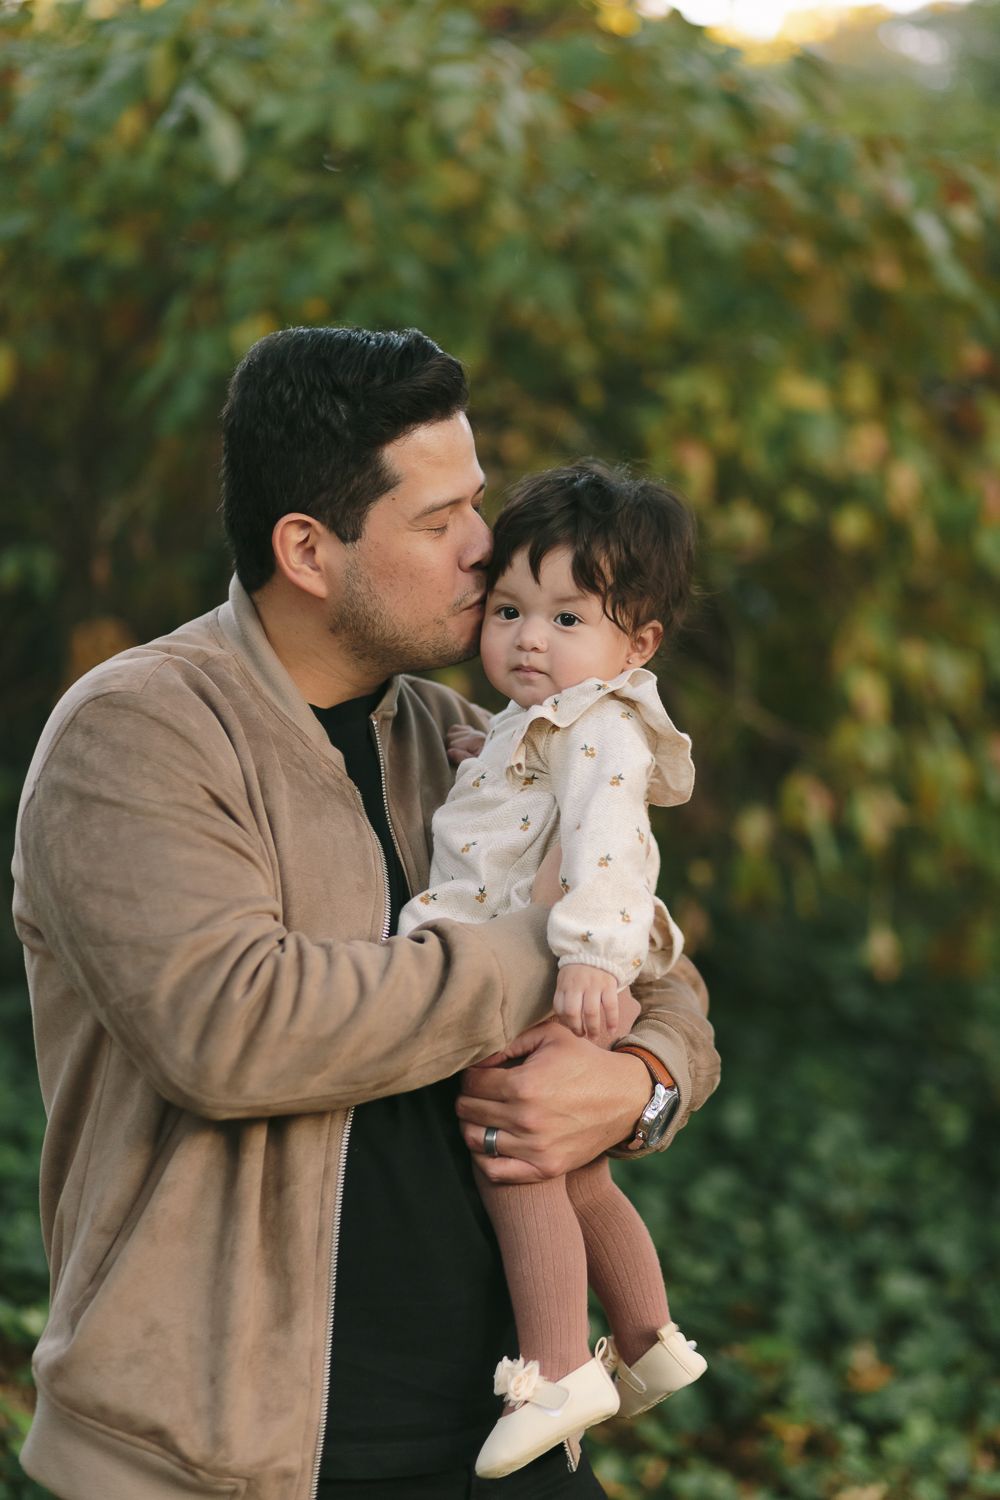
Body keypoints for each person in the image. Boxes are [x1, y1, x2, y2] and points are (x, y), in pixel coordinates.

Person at [12, 326, 720, 1500]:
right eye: (439, 522)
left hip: (506, 1433)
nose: (486, 550)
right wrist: (526, 952)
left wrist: (636, 1082)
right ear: (307, 549)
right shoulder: (137, 733)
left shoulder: (463, 741)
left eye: (477, 505)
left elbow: (657, 967)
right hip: (235, 1458)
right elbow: (233, 1028)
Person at [399, 462, 708, 1479]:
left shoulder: (605, 732)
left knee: (514, 1144)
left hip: (547, 968)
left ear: (637, 644)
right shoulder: (541, 724)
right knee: (573, 1171)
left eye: (567, 619)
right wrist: (479, 750)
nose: (529, 638)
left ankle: (559, 1366)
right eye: (510, 610)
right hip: (533, 958)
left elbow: (608, 841)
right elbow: (525, 786)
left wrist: (588, 960)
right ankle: (651, 1339)